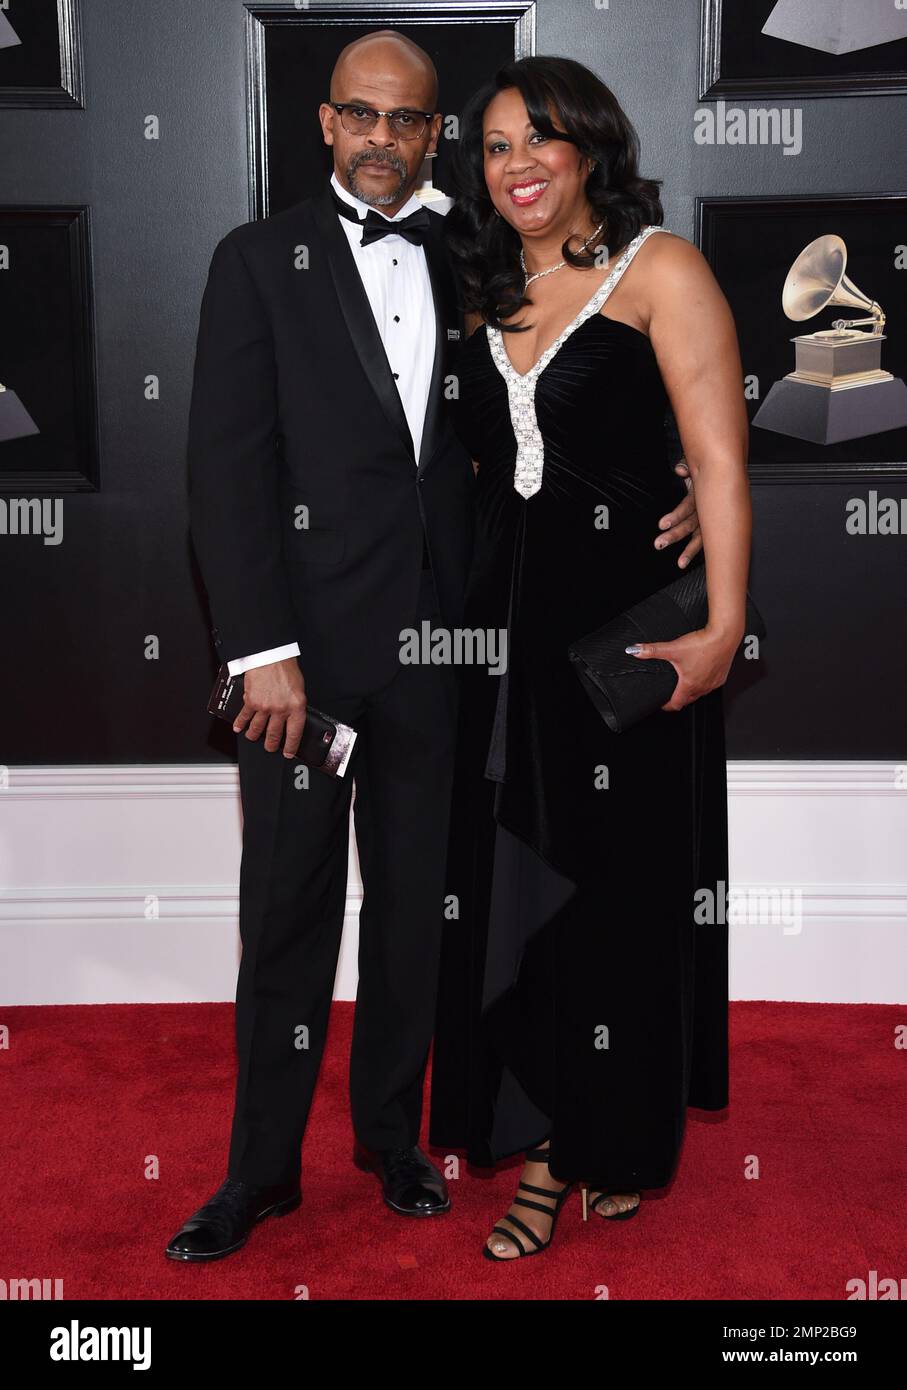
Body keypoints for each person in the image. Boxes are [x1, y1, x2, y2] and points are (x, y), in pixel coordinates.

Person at [169, 32, 702, 1262]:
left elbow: (574, 382)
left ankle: (392, 1143)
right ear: (324, 124)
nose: (380, 138)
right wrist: (260, 651)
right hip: (297, 664)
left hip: (450, 652)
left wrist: (663, 470)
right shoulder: (256, 263)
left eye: (406, 121)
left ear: (430, 136)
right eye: (358, 115)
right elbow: (224, 472)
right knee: (289, 918)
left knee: (420, 917)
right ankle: (259, 1175)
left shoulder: (480, 257)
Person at [428, 55, 752, 1261]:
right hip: (496, 640)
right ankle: (564, 1129)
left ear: (590, 149)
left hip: (620, 639)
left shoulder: (659, 269)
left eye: (539, 139)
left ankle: (587, 1144)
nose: (515, 164)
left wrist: (721, 625)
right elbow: (477, 473)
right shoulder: (479, 291)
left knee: (610, 892)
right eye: (496, 144)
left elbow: (717, 460)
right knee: (514, 880)